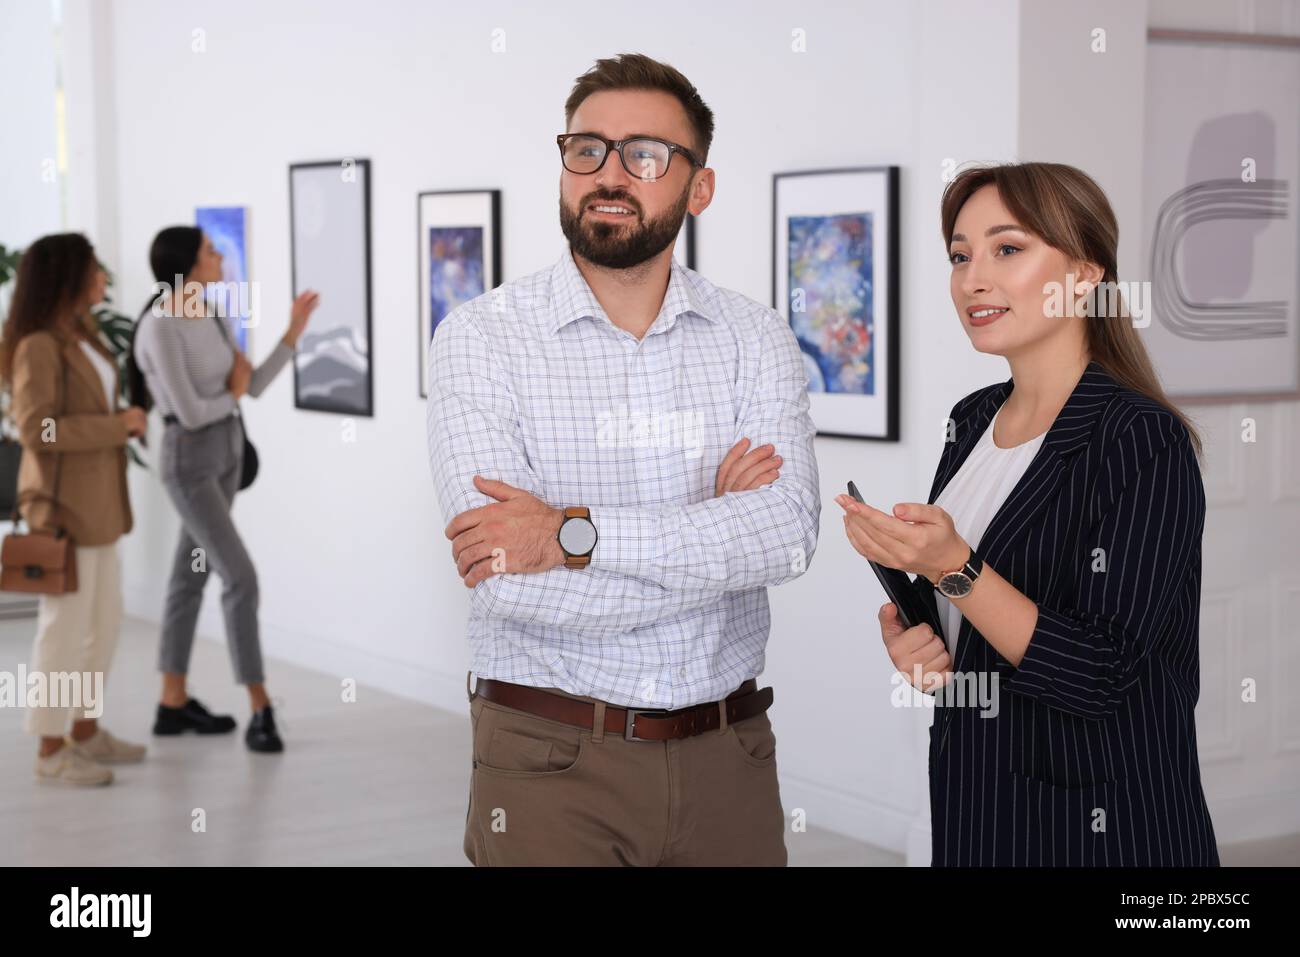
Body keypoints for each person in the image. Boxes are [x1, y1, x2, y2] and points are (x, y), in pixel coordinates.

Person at [426, 53, 820, 866]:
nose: (609, 173)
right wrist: (709, 533)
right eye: (587, 149)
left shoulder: (756, 337)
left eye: (644, 155)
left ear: (698, 188)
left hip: (727, 756)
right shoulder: (480, 337)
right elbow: (504, 572)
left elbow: (784, 536)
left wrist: (571, 535)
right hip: (549, 759)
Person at [836, 162, 1219, 866]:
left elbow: (1103, 673)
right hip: (976, 800)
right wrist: (921, 640)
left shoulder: (1141, 439)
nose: (972, 278)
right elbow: (976, 619)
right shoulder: (973, 417)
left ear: (1085, 272)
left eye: (1007, 249)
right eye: (960, 255)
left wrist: (953, 567)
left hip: (1101, 822)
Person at [129, 226, 318, 752]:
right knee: (241, 577)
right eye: (211, 251)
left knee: (188, 577)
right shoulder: (161, 325)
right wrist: (232, 394)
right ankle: (260, 706)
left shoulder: (209, 310)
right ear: (188, 263)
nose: (219, 256)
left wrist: (292, 332)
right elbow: (188, 413)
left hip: (227, 455)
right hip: (188, 463)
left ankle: (171, 703)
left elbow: (250, 386)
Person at [2, 232, 147, 786]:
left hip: (101, 507)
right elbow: (35, 429)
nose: (103, 278)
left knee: (103, 626)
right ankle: (48, 750)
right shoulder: (38, 344)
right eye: (94, 269)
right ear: (68, 276)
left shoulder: (80, 334)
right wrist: (119, 425)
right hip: (63, 510)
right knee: (63, 633)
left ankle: (84, 732)